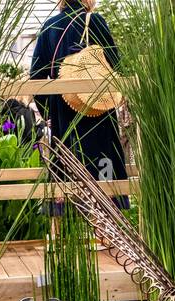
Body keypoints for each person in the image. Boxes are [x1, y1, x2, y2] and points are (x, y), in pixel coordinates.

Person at [30, 1, 128, 201]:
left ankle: (67, 218)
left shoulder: (50, 26)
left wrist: (48, 111)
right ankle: (105, 223)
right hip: (99, 110)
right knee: (103, 169)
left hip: (63, 112)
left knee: (67, 166)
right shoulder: (96, 22)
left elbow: (36, 77)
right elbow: (117, 66)